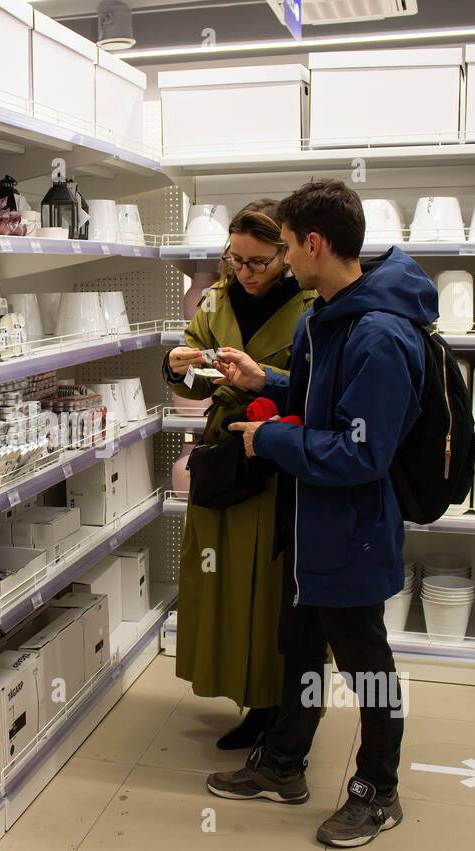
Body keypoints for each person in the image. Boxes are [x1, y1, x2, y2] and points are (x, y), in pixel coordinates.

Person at [209, 179, 434, 849]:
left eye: (282, 247)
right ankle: (284, 763)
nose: (278, 259)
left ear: (312, 245)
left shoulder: (382, 336)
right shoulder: (326, 317)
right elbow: (321, 402)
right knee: (300, 648)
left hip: (353, 530)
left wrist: (269, 437)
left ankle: (378, 788)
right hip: (308, 525)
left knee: (367, 664)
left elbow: (360, 452)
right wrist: (266, 383)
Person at [162, 200, 316, 750]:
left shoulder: (312, 304)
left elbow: (319, 385)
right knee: (224, 582)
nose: (245, 273)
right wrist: (180, 367)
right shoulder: (217, 299)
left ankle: (282, 707)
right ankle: (250, 699)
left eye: (259, 262)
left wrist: (263, 379)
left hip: (279, 458)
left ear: (287, 255)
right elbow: (195, 381)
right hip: (223, 458)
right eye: (236, 259)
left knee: (273, 588)